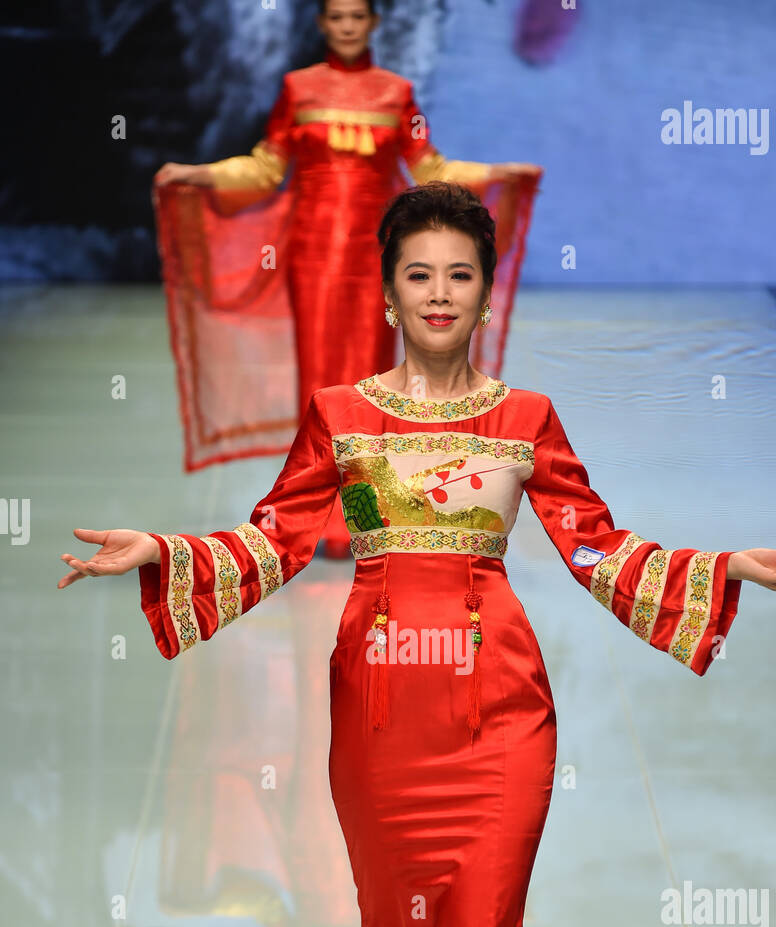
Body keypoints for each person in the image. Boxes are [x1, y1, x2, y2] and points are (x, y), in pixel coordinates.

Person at [58, 181, 776, 927]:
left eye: (457, 275)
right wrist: (163, 553)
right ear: (385, 291)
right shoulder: (340, 413)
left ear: (482, 295)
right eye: (417, 274)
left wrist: (720, 571)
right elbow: (276, 540)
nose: (436, 293)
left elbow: (596, 548)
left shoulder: (526, 419)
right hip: (377, 718)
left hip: (500, 719)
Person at [153, 0, 542, 558]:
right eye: (337, 18)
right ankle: (311, 516)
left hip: (372, 259)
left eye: (357, 17)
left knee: (368, 379)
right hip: (310, 256)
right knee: (318, 384)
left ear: (373, 24)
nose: (347, 27)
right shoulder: (298, 88)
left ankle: (364, 513)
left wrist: (493, 175)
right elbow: (266, 168)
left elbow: (429, 169)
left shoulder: (396, 93)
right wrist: (199, 174)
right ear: (322, 25)